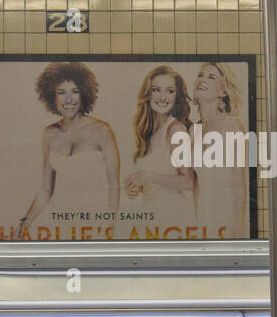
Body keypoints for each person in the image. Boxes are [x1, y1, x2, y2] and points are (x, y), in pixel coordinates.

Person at [18, 61, 119, 236]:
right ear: (52, 97)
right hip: (59, 219)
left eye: (75, 92)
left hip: (95, 219)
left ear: (84, 94)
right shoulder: (49, 134)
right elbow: (45, 189)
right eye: (61, 92)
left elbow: (114, 185)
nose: (69, 100)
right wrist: (25, 222)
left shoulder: (102, 131)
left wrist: (109, 226)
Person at [123, 65, 196, 232]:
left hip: (174, 217)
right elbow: (157, 179)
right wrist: (136, 188)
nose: (162, 97)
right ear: (148, 94)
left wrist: (147, 176)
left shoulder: (175, 130)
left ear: (176, 96)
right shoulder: (148, 132)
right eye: (156, 90)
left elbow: (189, 181)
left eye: (170, 91)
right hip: (153, 216)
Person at [192, 61, 249, 239]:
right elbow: (195, 183)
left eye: (211, 77)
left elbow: (239, 183)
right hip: (201, 219)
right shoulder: (193, 131)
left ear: (223, 92)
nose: (202, 80)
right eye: (200, 75)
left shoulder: (232, 126)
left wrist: (238, 225)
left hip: (227, 219)